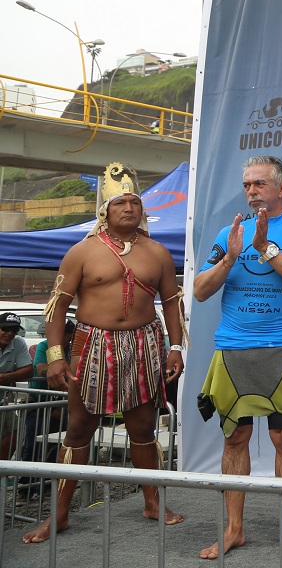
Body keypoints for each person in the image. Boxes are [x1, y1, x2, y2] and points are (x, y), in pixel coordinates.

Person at [22, 162, 186, 544]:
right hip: (92, 343)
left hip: (145, 343)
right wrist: (57, 356)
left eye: (134, 202)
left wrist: (175, 347)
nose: (129, 208)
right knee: (79, 428)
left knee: (143, 428)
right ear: (105, 212)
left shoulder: (158, 252)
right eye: (120, 203)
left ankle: (152, 502)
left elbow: (172, 302)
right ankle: (59, 515)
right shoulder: (82, 251)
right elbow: (56, 308)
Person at [194, 155, 282, 559]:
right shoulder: (228, 232)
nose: (251, 191)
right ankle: (234, 529)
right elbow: (199, 290)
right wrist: (232, 256)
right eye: (247, 184)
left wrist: (265, 248)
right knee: (236, 437)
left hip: (280, 349)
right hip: (232, 349)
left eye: (259, 184)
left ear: (281, 188)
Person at [21, 319, 77, 466]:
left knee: (59, 443)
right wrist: (59, 368)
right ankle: (27, 483)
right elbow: (41, 370)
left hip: (63, 403)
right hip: (39, 402)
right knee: (33, 443)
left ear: (68, 336)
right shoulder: (45, 346)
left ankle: (49, 481)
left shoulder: (72, 349)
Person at [0, 311, 34, 459]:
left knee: (14, 430)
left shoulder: (18, 342)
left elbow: (28, 370)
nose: (9, 333)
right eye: (5, 329)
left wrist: (7, 376)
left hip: (3, 400)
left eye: (14, 330)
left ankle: (3, 471)